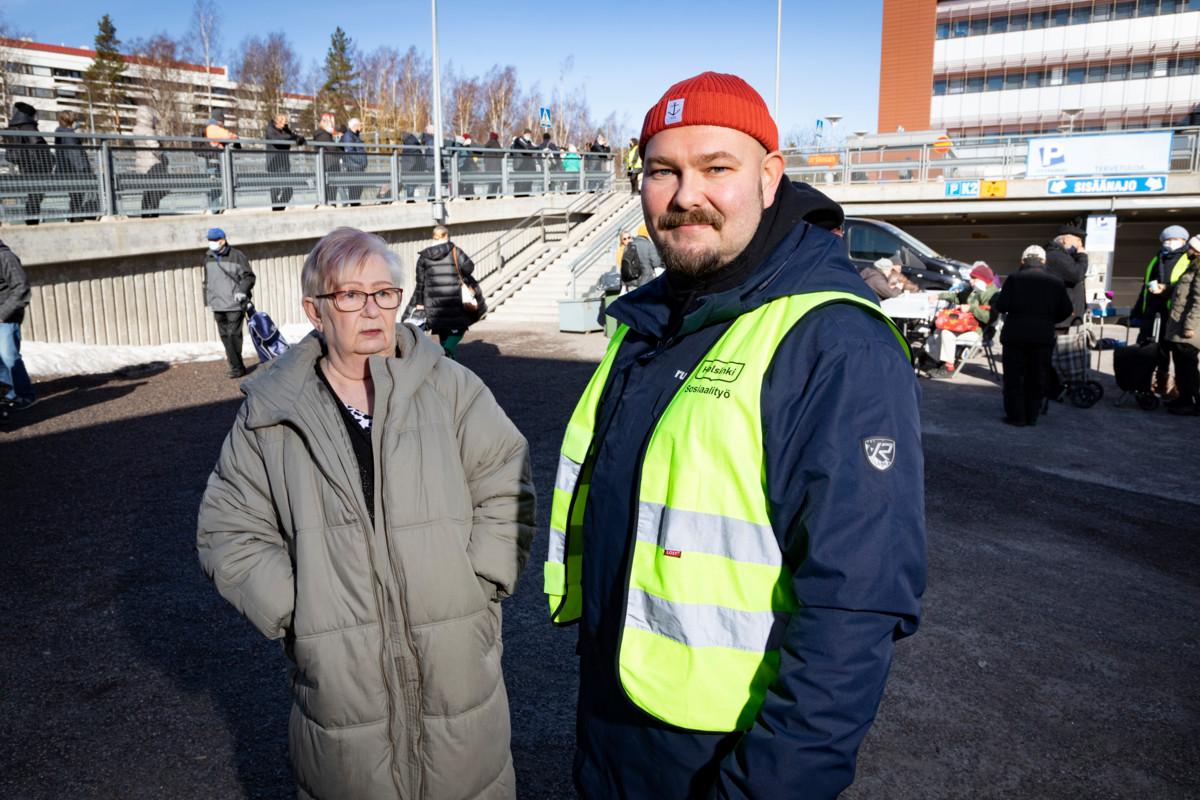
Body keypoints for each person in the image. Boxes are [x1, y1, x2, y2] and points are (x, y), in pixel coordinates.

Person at [545, 71, 925, 799]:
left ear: (771, 178)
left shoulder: (833, 341)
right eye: (664, 171)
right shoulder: (656, 319)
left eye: (717, 168)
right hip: (616, 723)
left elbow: (853, 608)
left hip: (723, 756)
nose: (687, 194)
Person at [197, 226, 534, 800]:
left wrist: (482, 577)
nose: (372, 310)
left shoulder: (452, 387)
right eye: (349, 296)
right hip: (341, 681)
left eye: (384, 293)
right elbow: (229, 528)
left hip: (455, 653)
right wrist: (298, 610)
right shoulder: (274, 413)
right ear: (315, 310)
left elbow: (505, 479)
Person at [990, 245, 1073, 426]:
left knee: (1014, 377)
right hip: (1042, 336)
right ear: (1044, 261)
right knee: (1037, 376)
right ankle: (1032, 415)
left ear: (1023, 261)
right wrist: (1049, 320)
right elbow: (1066, 309)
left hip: (1015, 336)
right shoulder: (1056, 281)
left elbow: (1002, 305)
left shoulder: (1014, 278)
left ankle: (1016, 416)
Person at [1132, 225, 1191, 395]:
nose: (1170, 243)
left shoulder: (1189, 258)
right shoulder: (1157, 258)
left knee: (1177, 352)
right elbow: (1145, 287)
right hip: (1153, 310)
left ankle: (1177, 387)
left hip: (1175, 312)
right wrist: (1137, 312)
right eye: (1167, 240)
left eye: (1174, 240)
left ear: (1183, 241)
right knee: (1150, 347)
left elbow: (1186, 286)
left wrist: (1165, 288)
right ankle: (1156, 381)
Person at [413, 225, 482, 359]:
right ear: (446, 236)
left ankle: (447, 364)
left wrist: (419, 303)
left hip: (433, 301)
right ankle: (446, 352)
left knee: (443, 330)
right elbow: (469, 267)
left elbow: (420, 282)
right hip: (453, 298)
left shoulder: (424, 256)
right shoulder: (455, 251)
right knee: (459, 329)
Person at [924, 262, 998, 379]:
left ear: (982, 279)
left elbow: (989, 318)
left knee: (946, 333)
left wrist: (971, 308)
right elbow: (957, 297)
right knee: (938, 331)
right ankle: (945, 363)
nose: (971, 281)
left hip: (982, 332)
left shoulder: (992, 294)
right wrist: (939, 296)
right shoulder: (976, 289)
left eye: (974, 278)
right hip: (968, 326)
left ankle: (948, 368)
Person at [202, 228, 255, 378]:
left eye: (214, 240)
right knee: (225, 337)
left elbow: (249, 277)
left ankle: (237, 368)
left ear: (222, 241)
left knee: (233, 335)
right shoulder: (208, 258)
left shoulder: (237, 256)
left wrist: (242, 291)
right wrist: (208, 300)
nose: (211, 243)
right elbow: (207, 282)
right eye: (209, 240)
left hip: (234, 304)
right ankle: (235, 366)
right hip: (217, 305)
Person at [1164, 235, 1200, 415]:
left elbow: (1198, 301)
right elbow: (1182, 289)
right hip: (1179, 323)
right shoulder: (1192, 267)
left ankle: (1192, 401)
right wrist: (1166, 288)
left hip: (1190, 328)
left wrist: (1189, 326)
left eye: (1191, 248)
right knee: (1180, 364)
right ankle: (1183, 398)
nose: (1188, 250)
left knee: (1188, 366)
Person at [4, 101, 53, 224]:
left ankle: (31, 221)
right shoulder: (28, 126)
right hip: (37, 166)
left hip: (24, 166)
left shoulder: (14, 126)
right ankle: (32, 221)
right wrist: (51, 159)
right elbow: (37, 143)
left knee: (32, 195)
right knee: (36, 196)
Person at [0, 239, 34, 410]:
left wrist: (2, 314)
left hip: (6, 318)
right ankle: (7, 396)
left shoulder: (5, 257)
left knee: (9, 357)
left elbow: (22, 288)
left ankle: (25, 395)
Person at [53, 110, 95, 221]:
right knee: (78, 194)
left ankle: (74, 217)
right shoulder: (69, 134)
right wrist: (84, 169)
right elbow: (74, 153)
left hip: (66, 168)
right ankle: (75, 217)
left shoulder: (59, 132)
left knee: (74, 194)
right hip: (75, 169)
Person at [133, 106, 170, 217]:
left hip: (142, 164)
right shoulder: (148, 131)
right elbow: (154, 147)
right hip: (153, 164)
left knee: (147, 190)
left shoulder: (136, 130)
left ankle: (144, 213)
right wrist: (163, 155)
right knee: (155, 190)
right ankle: (154, 213)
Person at [265, 112, 305, 211]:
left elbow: (294, 136)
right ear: (276, 121)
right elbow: (277, 139)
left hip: (284, 163)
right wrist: (292, 137)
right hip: (273, 163)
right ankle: (276, 208)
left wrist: (299, 138)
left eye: (285, 120)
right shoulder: (270, 129)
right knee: (276, 188)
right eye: (282, 120)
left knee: (288, 189)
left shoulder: (285, 130)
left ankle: (280, 208)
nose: (285, 122)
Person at [204, 110, 238, 210]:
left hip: (216, 161)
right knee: (216, 186)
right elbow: (228, 135)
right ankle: (216, 209)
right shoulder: (212, 128)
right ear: (218, 120)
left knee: (220, 185)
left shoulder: (212, 128)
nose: (223, 123)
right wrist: (235, 137)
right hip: (214, 161)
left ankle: (220, 207)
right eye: (222, 120)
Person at [620, 223, 663, 291]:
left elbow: (624, 264)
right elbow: (656, 263)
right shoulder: (648, 245)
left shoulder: (628, 246)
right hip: (647, 281)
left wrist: (623, 284)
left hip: (631, 282)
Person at [313, 113, 340, 203]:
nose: (333, 125)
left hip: (331, 164)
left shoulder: (327, 134)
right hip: (328, 164)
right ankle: (329, 202)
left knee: (332, 185)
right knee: (329, 186)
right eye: (331, 123)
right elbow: (332, 148)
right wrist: (339, 146)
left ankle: (331, 202)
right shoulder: (322, 134)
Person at [340, 117, 367, 205]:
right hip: (353, 166)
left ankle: (355, 202)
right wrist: (360, 161)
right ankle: (354, 203)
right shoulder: (348, 135)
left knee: (359, 186)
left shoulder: (356, 135)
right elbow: (349, 151)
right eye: (360, 124)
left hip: (358, 166)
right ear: (355, 125)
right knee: (354, 186)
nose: (361, 126)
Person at [483, 131, 503, 196]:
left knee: (491, 184)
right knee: (496, 183)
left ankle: (490, 196)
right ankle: (493, 196)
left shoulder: (487, 144)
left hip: (489, 167)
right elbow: (500, 154)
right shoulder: (495, 143)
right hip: (496, 167)